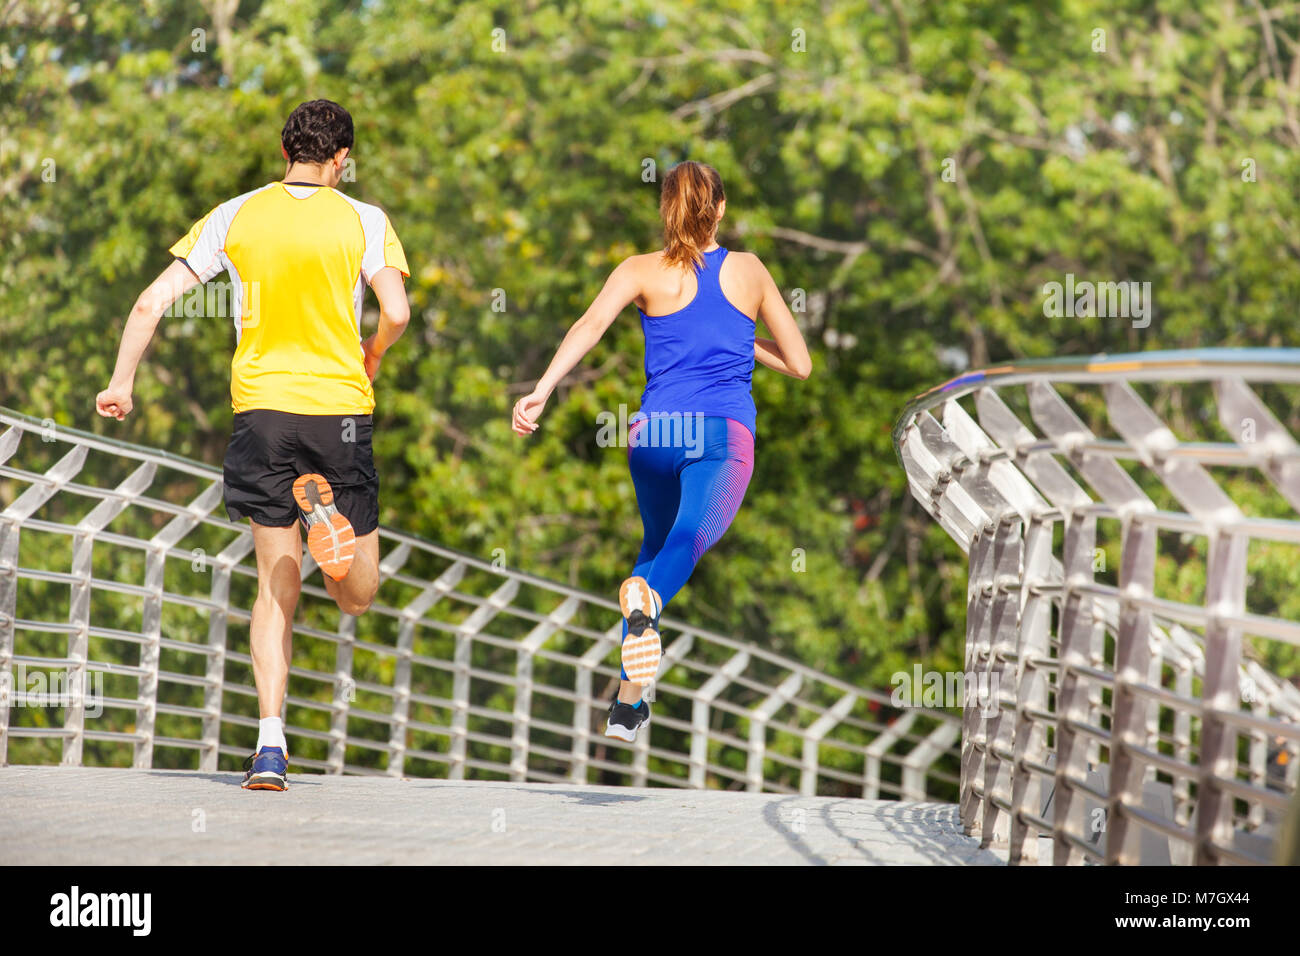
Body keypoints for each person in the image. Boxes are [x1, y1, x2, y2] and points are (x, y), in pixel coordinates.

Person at [95, 99, 411, 791]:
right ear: (341, 161)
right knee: (357, 595)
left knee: (276, 587)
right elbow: (396, 311)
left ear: (283, 150)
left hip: (262, 416)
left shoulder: (235, 214)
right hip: (339, 414)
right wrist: (375, 353)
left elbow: (152, 300)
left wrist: (122, 382)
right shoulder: (366, 220)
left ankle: (270, 745)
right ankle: (328, 521)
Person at [511, 160, 811, 742]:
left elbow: (590, 325)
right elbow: (800, 364)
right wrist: (742, 334)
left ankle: (627, 705)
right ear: (720, 208)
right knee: (688, 541)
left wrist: (541, 391)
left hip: (653, 436)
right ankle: (647, 600)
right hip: (721, 437)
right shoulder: (748, 271)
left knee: (655, 547)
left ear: (665, 210)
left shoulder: (639, 270)